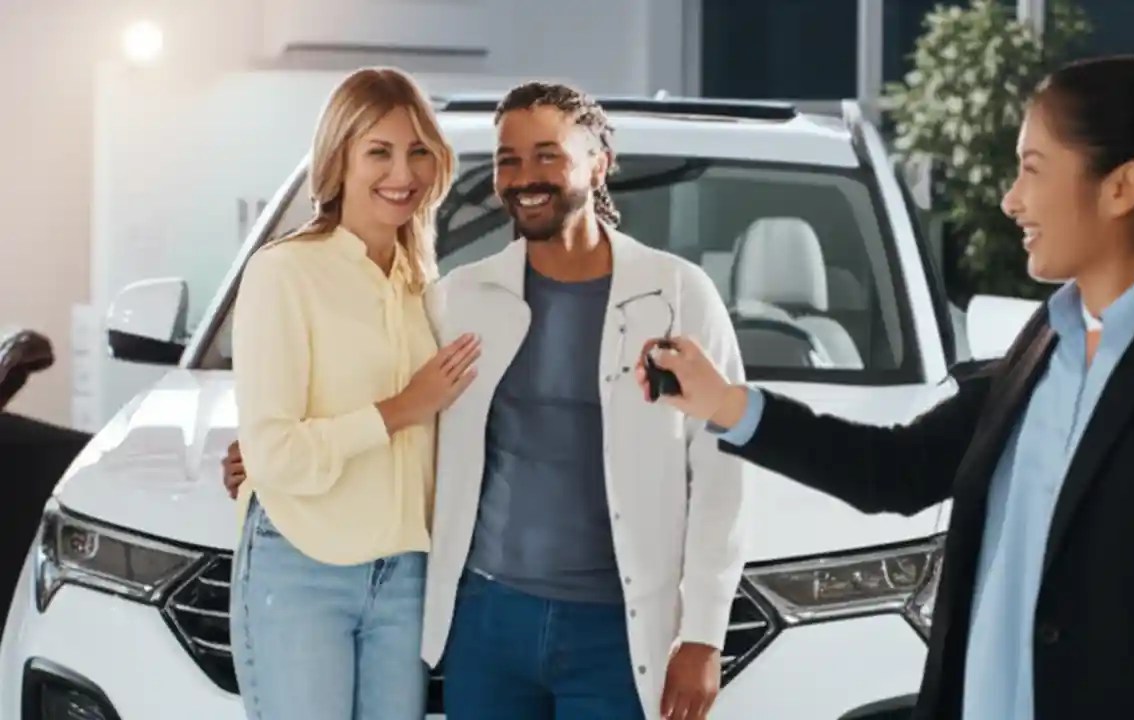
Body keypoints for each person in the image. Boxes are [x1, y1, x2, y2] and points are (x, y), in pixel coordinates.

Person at [637, 55, 1134, 720]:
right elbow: (895, 470)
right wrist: (724, 402)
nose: (1011, 199)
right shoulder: (1043, 346)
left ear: (1123, 188)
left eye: (1033, 168)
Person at [225, 81, 749, 720]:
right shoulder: (461, 297)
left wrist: (703, 633)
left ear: (598, 162)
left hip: (614, 627)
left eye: (548, 154)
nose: (526, 176)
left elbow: (722, 471)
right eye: (508, 160)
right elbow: (413, 408)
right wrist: (262, 451)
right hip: (485, 622)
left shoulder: (677, 295)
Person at [227, 67, 481, 720]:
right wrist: (403, 409)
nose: (403, 173)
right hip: (302, 567)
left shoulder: (426, 292)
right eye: (380, 151)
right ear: (338, 159)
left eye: (418, 150)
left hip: (406, 579)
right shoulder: (284, 272)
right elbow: (276, 451)